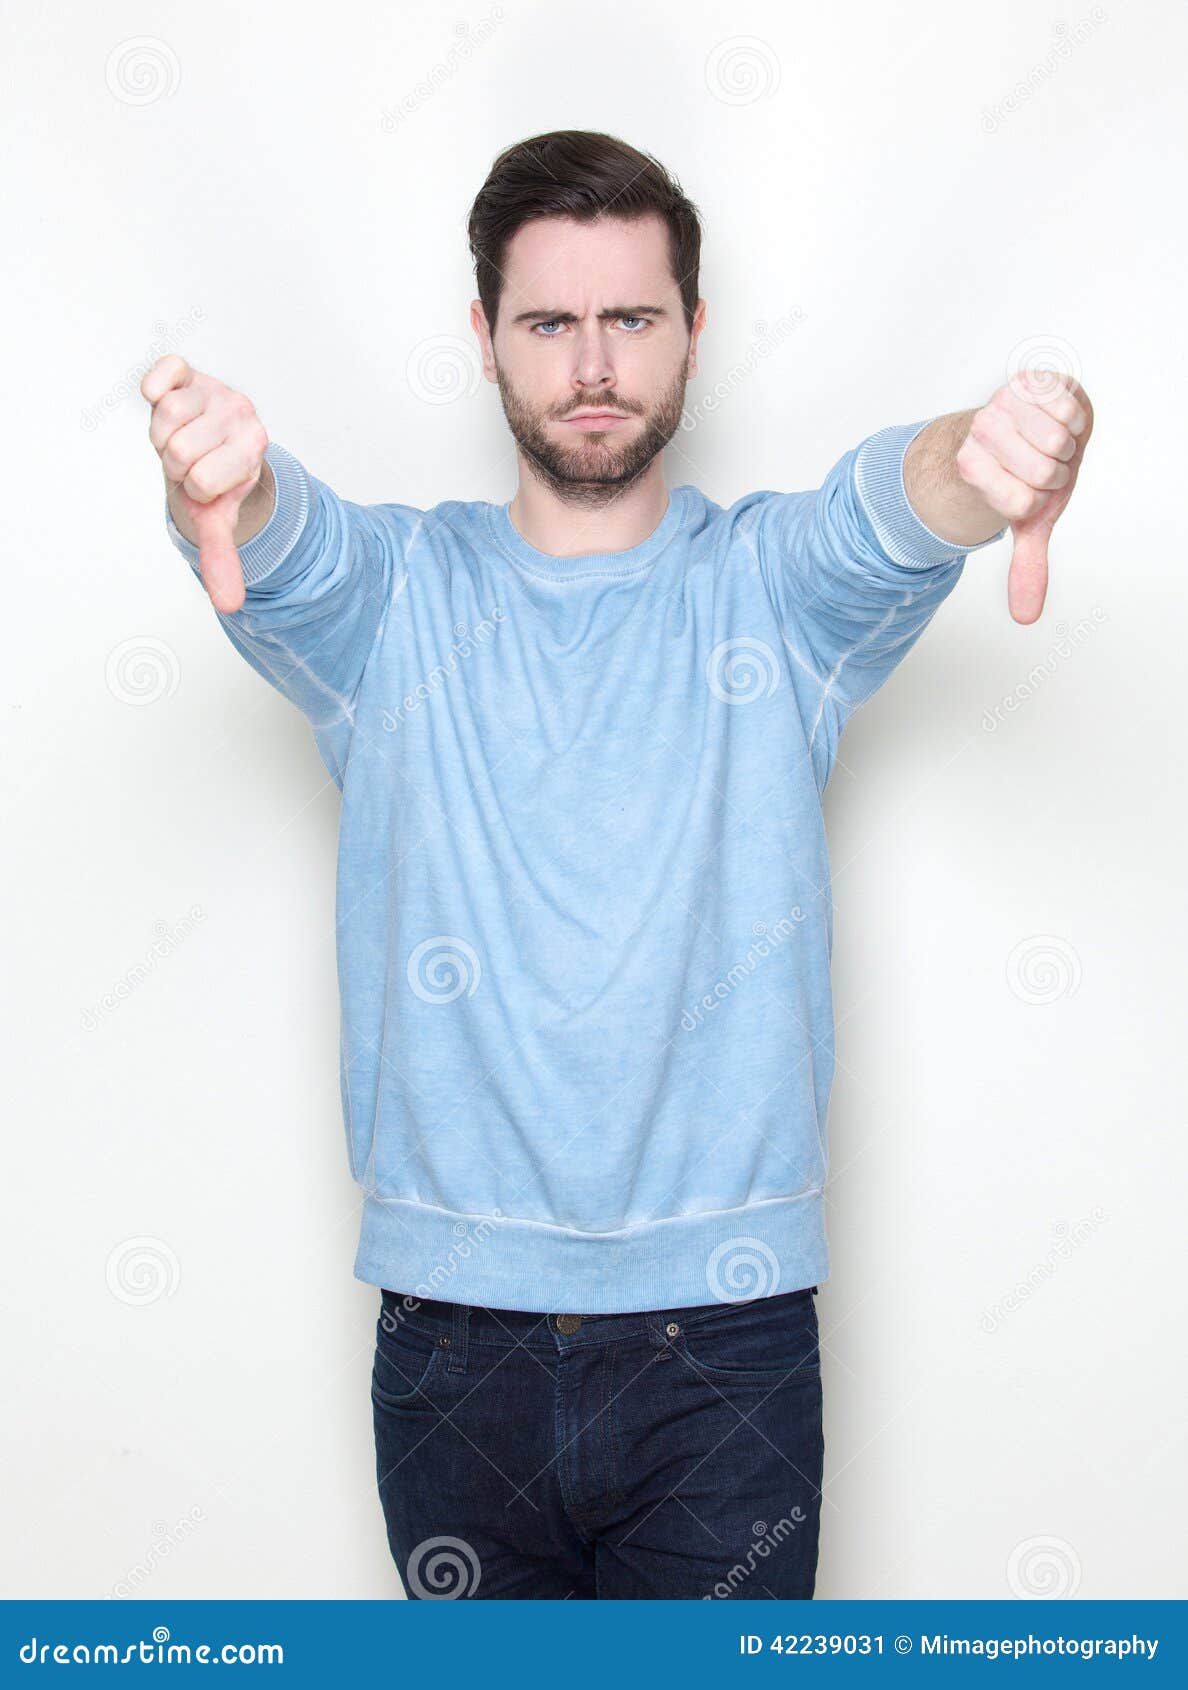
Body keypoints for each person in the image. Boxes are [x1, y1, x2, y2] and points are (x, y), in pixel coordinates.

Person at [141, 129, 1092, 1601]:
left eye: (633, 319)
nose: (593, 364)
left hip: (728, 1341)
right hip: (454, 1338)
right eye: (550, 323)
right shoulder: (398, 601)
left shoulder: (775, 594)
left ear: (695, 334)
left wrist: (988, 447)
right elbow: (291, 545)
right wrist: (228, 486)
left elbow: (893, 509)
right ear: (486, 340)